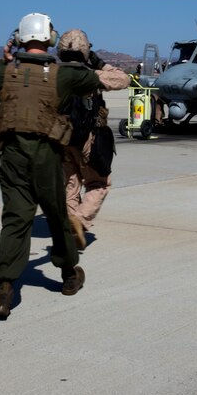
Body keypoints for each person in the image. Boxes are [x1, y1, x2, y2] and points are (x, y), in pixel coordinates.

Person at [0, 13, 103, 320]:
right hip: (47, 155)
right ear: (50, 39)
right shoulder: (62, 74)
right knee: (57, 216)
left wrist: (4, 60)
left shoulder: (5, 70)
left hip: (12, 154)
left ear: (19, 38)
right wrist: (88, 58)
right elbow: (93, 80)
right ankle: (69, 276)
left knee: (16, 219)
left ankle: (4, 291)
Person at [57, 29, 130, 250]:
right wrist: (100, 63)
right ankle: (80, 220)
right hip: (87, 138)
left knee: (70, 186)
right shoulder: (92, 76)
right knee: (99, 183)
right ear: (85, 51)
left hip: (61, 139)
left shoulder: (52, 74)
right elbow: (124, 79)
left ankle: (70, 230)